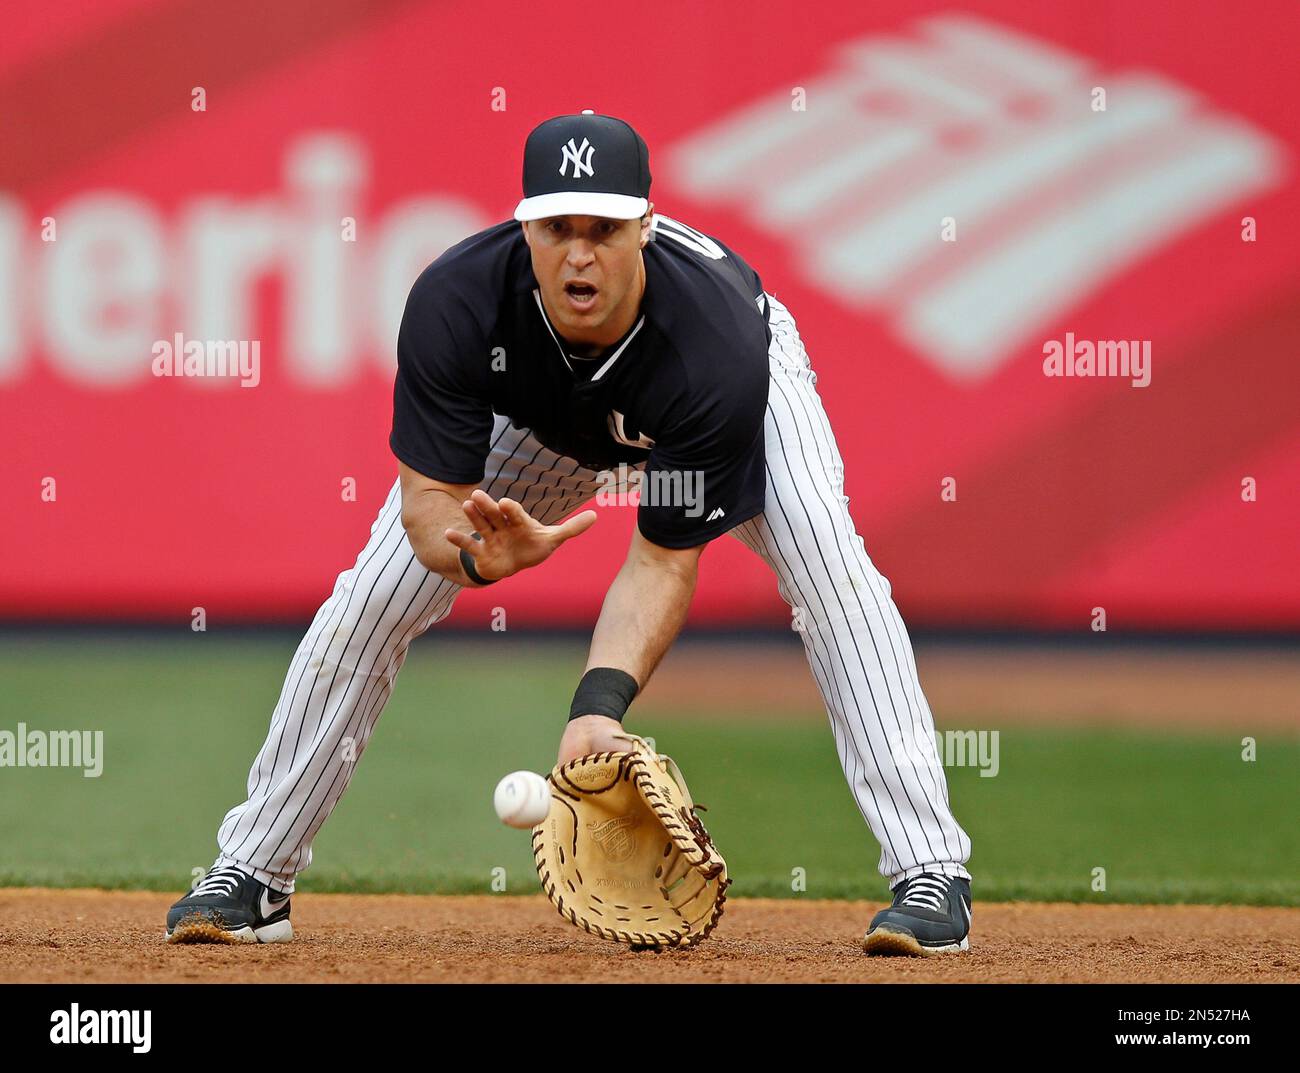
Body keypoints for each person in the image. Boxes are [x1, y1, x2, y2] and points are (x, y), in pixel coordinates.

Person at [165, 111, 974, 956]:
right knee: (374, 596)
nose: (579, 254)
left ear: (646, 230)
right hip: (543, 425)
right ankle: (252, 872)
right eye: (557, 228)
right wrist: (472, 558)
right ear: (525, 227)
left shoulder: (716, 346)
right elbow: (428, 505)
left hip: (715, 396)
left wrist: (598, 708)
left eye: (604, 229)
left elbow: (662, 560)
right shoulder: (457, 299)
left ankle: (930, 871)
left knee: (829, 568)